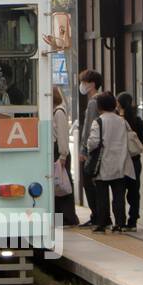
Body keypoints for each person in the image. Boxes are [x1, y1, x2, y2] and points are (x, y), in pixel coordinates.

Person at [85, 91, 134, 232]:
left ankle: (103, 223)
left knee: (102, 196)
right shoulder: (122, 120)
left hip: (103, 163)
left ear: (99, 106)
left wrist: (88, 147)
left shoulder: (98, 121)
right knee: (119, 196)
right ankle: (119, 223)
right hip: (120, 162)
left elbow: (93, 142)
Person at [76, 68, 105, 226]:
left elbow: (88, 127)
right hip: (101, 148)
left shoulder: (94, 102)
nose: (82, 85)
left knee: (89, 183)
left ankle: (97, 216)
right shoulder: (101, 99)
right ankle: (101, 216)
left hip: (92, 149)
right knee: (98, 184)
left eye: (84, 82)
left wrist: (83, 149)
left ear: (92, 84)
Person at [117, 92, 143, 231]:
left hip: (120, 161)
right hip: (135, 161)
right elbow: (141, 144)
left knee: (119, 192)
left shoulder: (117, 121)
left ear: (119, 104)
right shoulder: (138, 121)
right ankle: (133, 221)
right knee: (134, 191)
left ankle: (120, 221)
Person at [52, 86, 78, 227]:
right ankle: (61, 217)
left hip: (59, 153)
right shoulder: (54, 112)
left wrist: (63, 155)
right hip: (57, 152)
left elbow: (62, 135)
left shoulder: (59, 112)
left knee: (63, 185)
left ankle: (68, 217)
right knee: (58, 185)